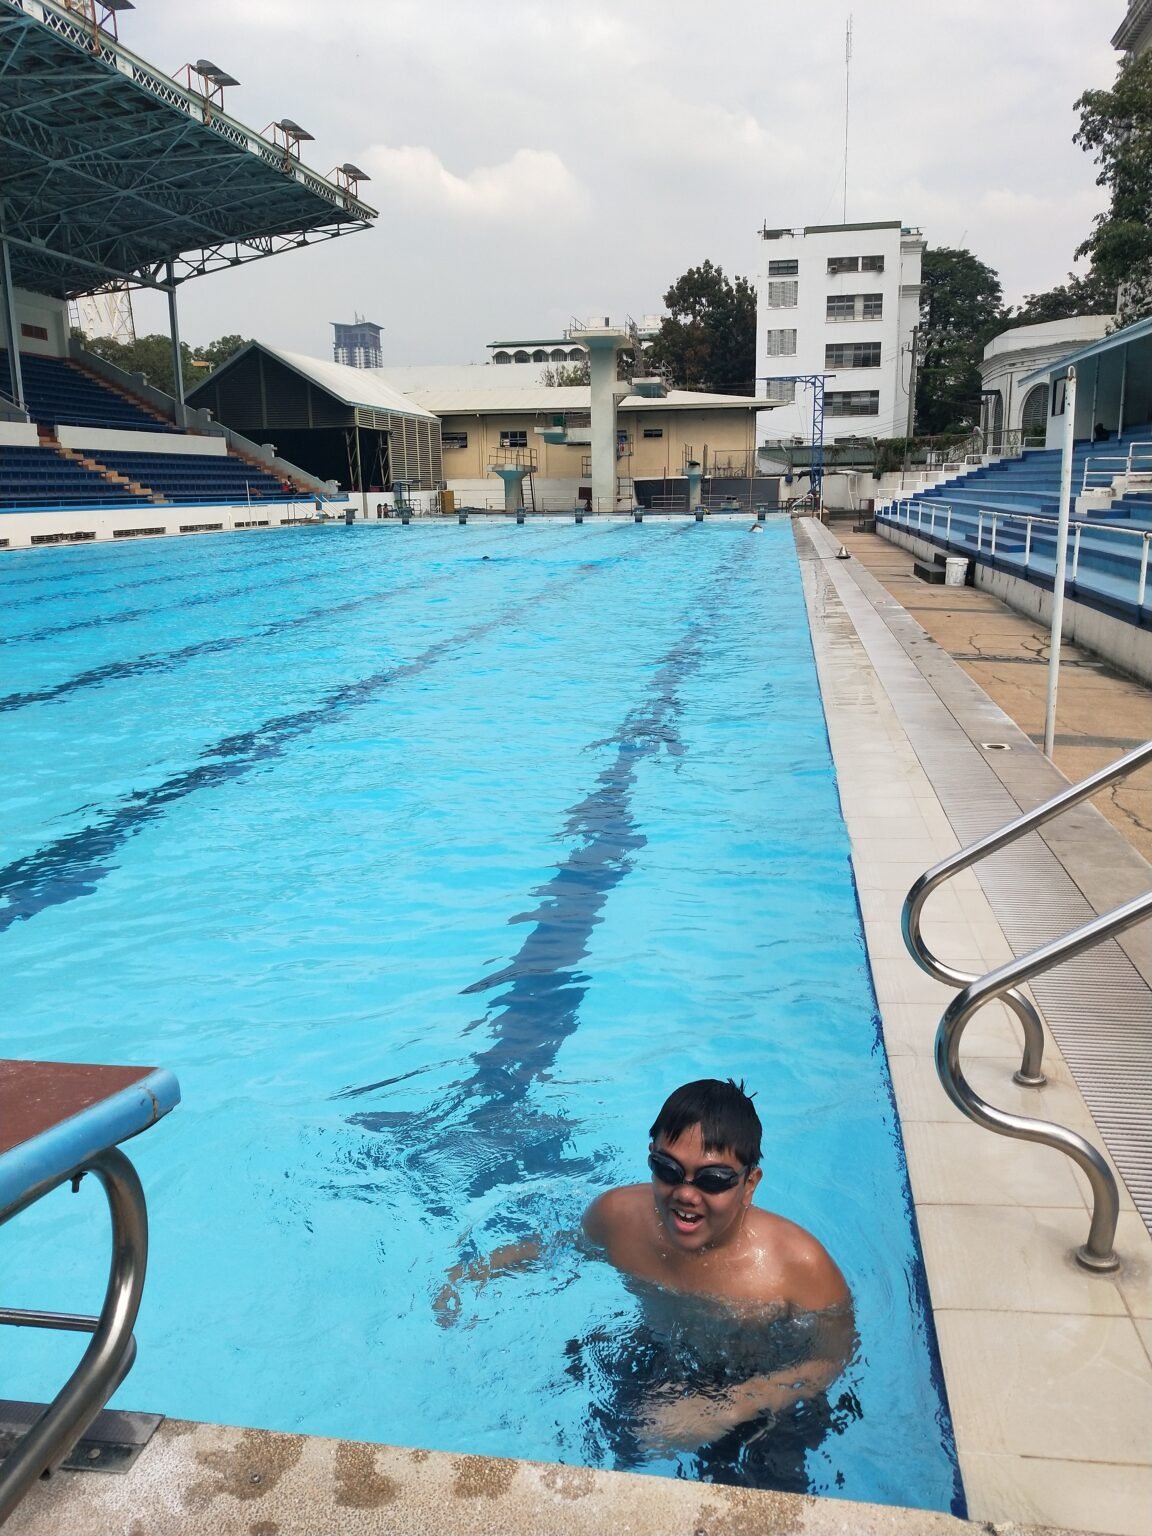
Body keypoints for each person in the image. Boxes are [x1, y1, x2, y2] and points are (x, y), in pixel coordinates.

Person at [436, 1080, 853, 1467]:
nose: (686, 1194)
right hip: (667, 1349)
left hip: (769, 1384)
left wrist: (725, 1408)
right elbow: (558, 1245)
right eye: (668, 1170)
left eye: (713, 1180)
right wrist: (471, 1274)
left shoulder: (797, 1265)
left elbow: (831, 1359)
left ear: (749, 1183)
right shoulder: (620, 1219)